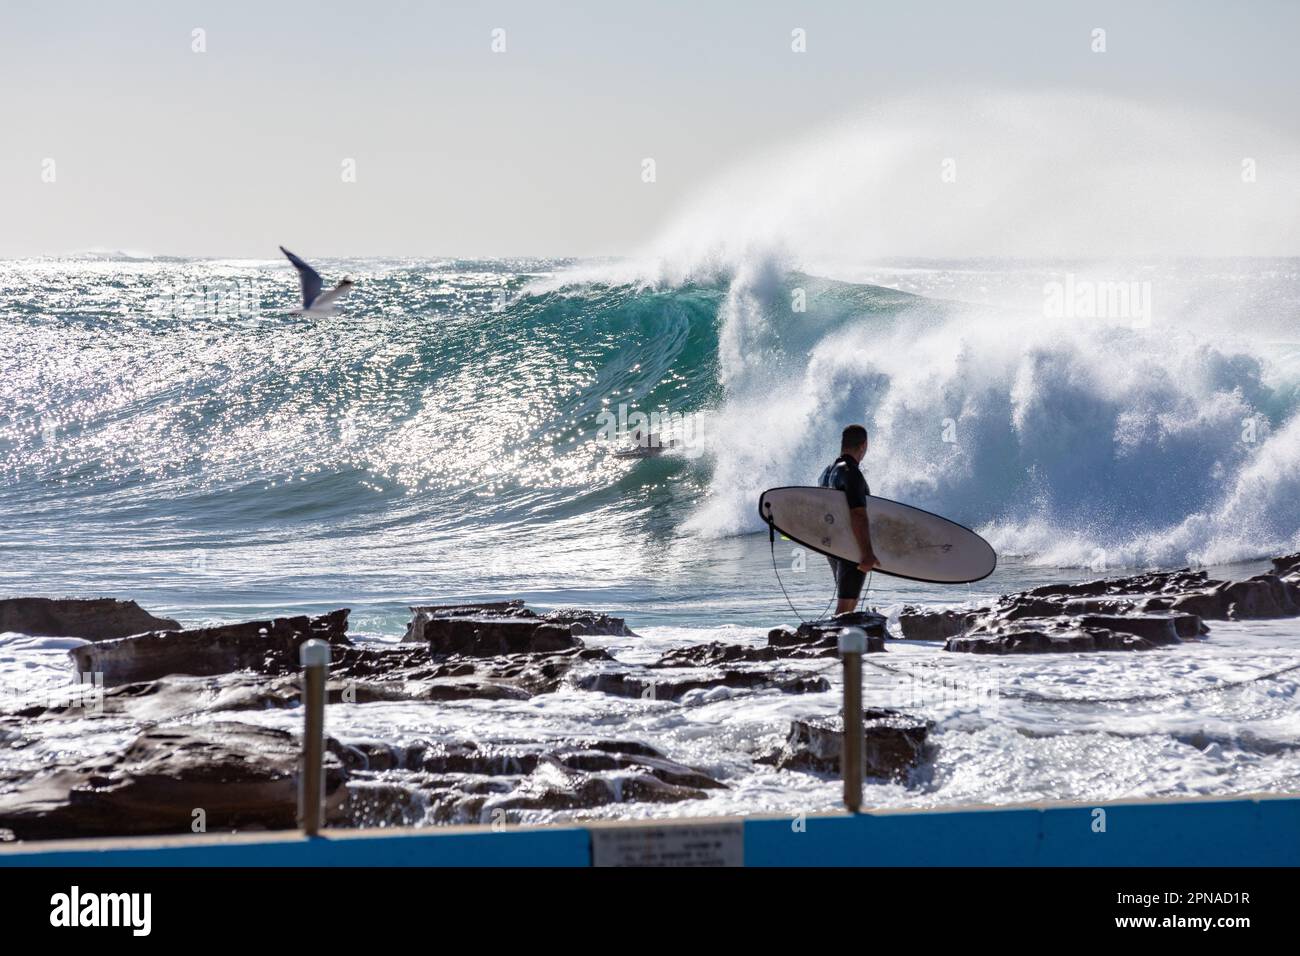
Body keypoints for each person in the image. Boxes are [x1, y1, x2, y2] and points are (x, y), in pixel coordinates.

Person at [818, 424, 879, 614]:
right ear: (864, 445)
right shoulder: (851, 473)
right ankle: (835, 641)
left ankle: (836, 640)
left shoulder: (827, 472)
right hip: (850, 546)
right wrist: (867, 552)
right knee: (846, 605)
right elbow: (858, 514)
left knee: (848, 599)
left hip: (833, 545)